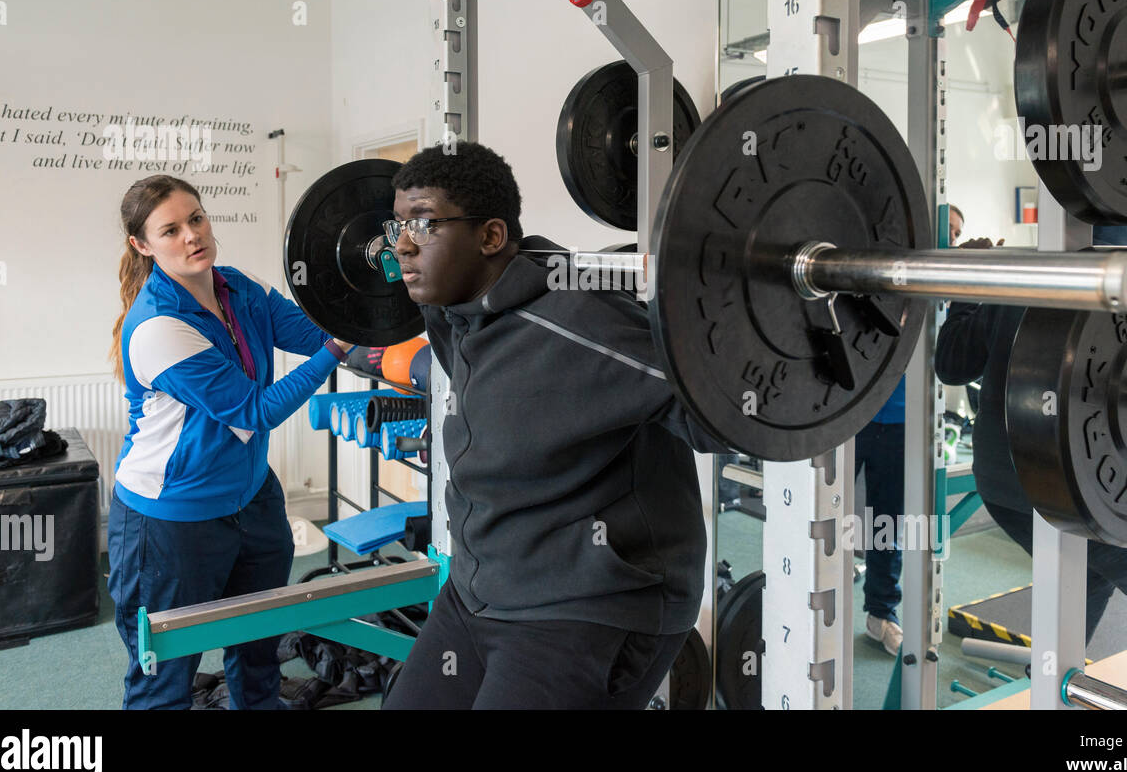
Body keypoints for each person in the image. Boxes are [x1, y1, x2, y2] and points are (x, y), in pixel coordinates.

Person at [381, 142, 729, 710]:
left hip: (588, 606)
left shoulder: (582, 319)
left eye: (423, 224)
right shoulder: (451, 312)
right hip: (477, 594)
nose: (401, 246)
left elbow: (726, 415)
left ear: (491, 238)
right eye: (397, 225)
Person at [106, 175, 355, 709]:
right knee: (165, 674)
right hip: (168, 518)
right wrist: (338, 349)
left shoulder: (238, 286)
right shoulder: (156, 326)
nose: (191, 235)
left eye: (196, 218)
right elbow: (254, 410)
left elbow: (311, 333)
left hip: (251, 497)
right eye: (170, 230)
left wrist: (378, 325)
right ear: (142, 245)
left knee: (260, 642)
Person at [934, 223, 1127, 687]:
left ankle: (1046, 682)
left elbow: (952, 363)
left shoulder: (1027, 270)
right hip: (1062, 490)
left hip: (1010, 485)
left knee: (1087, 577)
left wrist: (974, 279)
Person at [857, 204, 969, 656]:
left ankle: (880, 614)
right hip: (856, 417)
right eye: (947, 231)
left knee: (888, 524)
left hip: (904, 423)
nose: (952, 240)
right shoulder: (895, 274)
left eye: (958, 235)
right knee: (826, 516)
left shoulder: (950, 290)